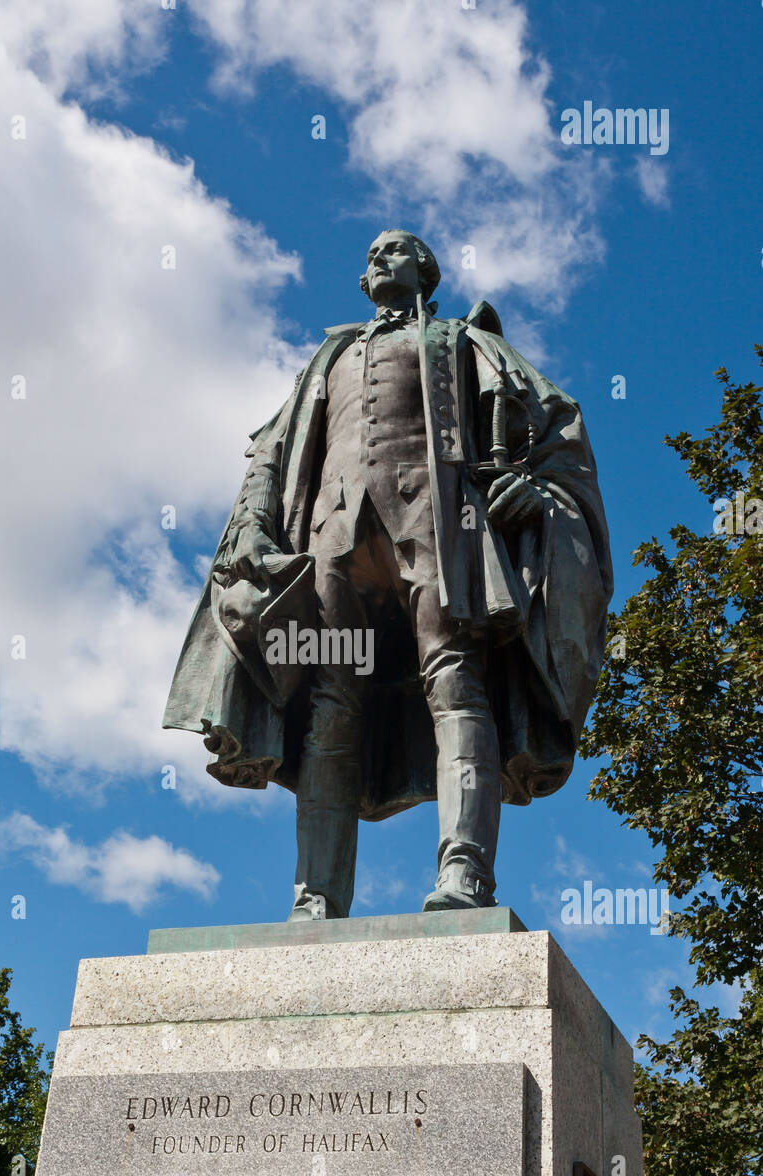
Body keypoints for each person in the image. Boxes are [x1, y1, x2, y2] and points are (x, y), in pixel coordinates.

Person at [164, 230, 612, 921]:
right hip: (332, 539)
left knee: (456, 684)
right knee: (329, 705)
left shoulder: (465, 340)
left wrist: (537, 487)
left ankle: (464, 874)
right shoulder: (330, 355)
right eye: (370, 252)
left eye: (396, 249)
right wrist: (252, 521)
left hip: (440, 529)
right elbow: (271, 452)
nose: (377, 258)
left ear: (426, 271)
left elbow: (552, 426)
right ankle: (315, 896)